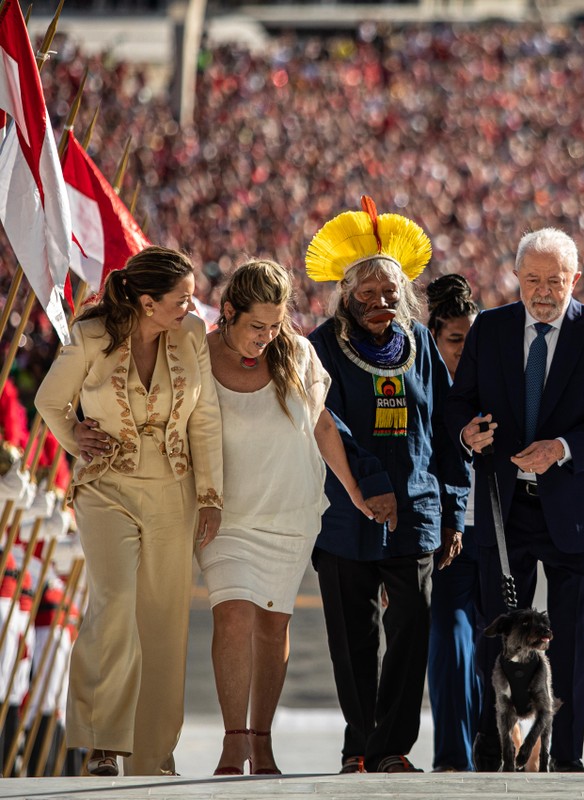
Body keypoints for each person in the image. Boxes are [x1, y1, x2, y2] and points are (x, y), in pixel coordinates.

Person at [447, 227, 584, 773]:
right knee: (497, 630)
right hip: (504, 507)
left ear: (575, 279)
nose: (544, 291)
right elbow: (460, 402)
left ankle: (564, 755)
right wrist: (467, 432)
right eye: (532, 280)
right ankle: (494, 750)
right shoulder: (491, 328)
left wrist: (562, 448)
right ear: (516, 278)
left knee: (570, 635)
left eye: (555, 280)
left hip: (574, 506)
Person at [34, 246, 223, 776]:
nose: (192, 308)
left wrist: (210, 496)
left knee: (164, 621)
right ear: (147, 302)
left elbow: (204, 418)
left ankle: (153, 756)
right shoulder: (92, 334)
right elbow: (50, 401)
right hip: (106, 487)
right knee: (114, 601)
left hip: (174, 490)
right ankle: (102, 741)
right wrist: (75, 438)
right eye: (182, 299)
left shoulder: (191, 335)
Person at [305, 197, 470, 774]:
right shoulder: (320, 346)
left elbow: (445, 429)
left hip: (417, 512)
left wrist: (453, 511)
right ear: (345, 297)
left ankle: (390, 747)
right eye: (368, 293)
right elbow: (327, 422)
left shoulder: (421, 342)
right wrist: (370, 484)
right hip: (345, 516)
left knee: (412, 630)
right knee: (353, 639)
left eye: (389, 292)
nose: (380, 302)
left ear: (405, 294)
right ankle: (360, 745)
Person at [197, 259, 370, 776]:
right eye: (257, 325)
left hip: (290, 512)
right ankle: (234, 741)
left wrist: (355, 492)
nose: (267, 336)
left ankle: (263, 740)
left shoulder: (297, 352)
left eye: (276, 324)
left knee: (274, 626)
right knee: (232, 614)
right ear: (229, 311)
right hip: (225, 514)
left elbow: (322, 426)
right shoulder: (196, 354)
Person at [424, 273, 482, 772]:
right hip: (444, 535)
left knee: (496, 648)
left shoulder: (498, 384)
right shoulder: (419, 390)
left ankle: (492, 751)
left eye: (472, 340)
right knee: (450, 641)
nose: (464, 351)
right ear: (433, 338)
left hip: (499, 534)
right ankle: (452, 758)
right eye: (455, 340)